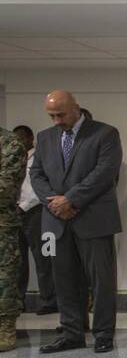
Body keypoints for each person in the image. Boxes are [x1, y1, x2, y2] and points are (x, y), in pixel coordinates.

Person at [29, 91, 123, 354]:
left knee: (101, 280)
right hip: (56, 221)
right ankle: (71, 333)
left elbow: (104, 173)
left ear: (76, 108)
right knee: (64, 279)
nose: (57, 120)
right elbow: (36, 174)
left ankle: (103, 333)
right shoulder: (45, 138)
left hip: (93, 218)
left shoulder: (105, 134)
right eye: (52, 116)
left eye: (61, 114)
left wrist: (70, 199)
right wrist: (53, 203)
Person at [13, 125, 57, 315]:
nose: (18, 143)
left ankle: (48, 300)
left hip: (35, 211)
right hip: (15, 213)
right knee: (17, 260)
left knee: (42, 259)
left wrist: (23, 205)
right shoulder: (13, 159)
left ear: (31, 138)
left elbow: (38, 188)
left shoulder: (39, 157)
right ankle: (18, 300)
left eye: (21, 138)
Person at [0, 126, 26, 352]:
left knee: (5, 278)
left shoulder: (10, 144)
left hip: (3, 225)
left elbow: (6, 187)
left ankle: (5, 327)